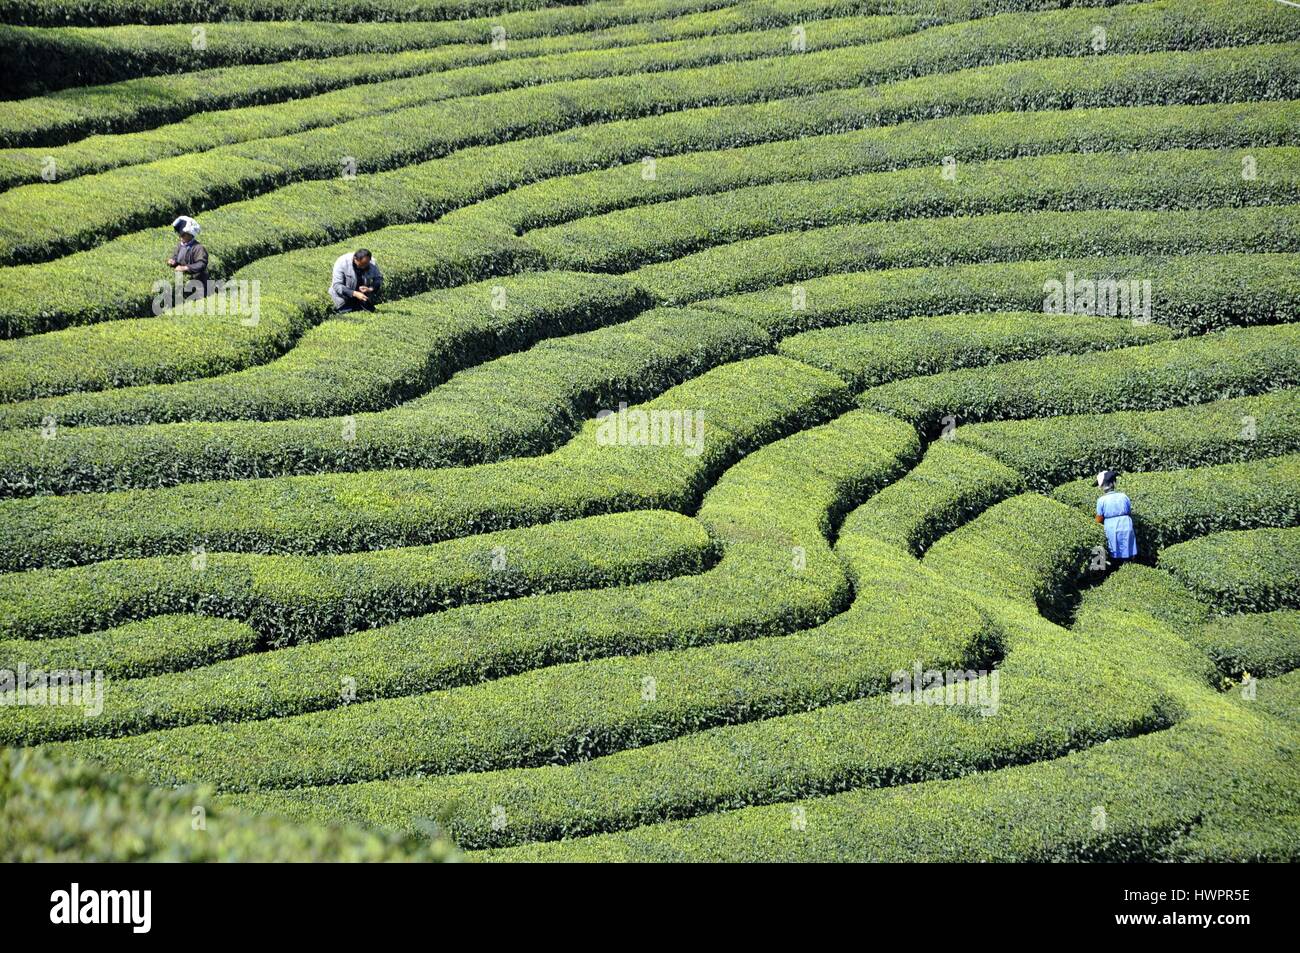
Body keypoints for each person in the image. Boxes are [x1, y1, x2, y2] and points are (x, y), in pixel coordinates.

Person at [1094, 469, 1137, 565]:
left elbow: (1099, 518)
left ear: (1102, 486)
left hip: (1112, 527)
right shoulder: (1124, 496)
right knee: (1128, 550)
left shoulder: (1101, 500)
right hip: (1126, 524)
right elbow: (1129, 512)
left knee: (1114, 552)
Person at [330, 248, 383, 312]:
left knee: (372, 313)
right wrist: (354, 293)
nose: (364, 266)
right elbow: (337, 285)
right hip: (343, 299)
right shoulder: (342, 263)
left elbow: (378, 278)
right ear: (355, 259)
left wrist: (370, 289)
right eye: (362, 264)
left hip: (362, 298)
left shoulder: (371, 262)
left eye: (366, 264)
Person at [167, 215, 209, 294]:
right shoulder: (180, 246)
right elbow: (175, 257)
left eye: (183, 235)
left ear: (190, 234)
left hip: (199, 286)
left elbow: (201, 264)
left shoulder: (198, 248)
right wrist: (173, 262)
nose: (180, 237)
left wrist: (186, 268)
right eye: (180, 234)